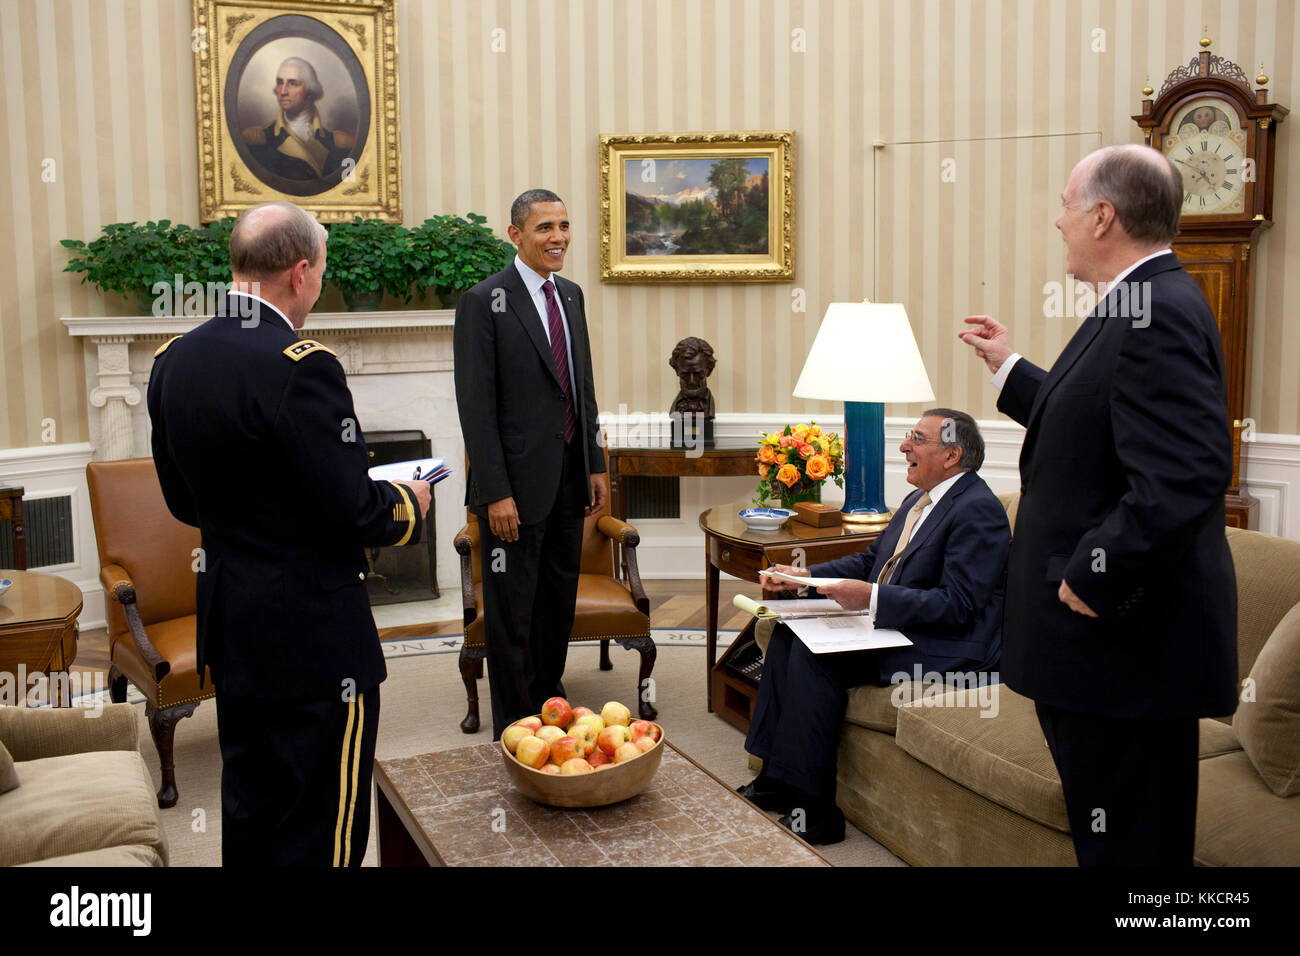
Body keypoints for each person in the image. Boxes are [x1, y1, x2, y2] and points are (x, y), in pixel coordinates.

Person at [958, 144, 1237, 866]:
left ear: (1104, 216)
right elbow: (1097, 425)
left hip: (1126, 655)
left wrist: (1093, 575)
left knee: (1135, 852)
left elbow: (1184, 476)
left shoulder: (1158, 312)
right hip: (1106, 660)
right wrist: (1012, 369)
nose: (1058, 221)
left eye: (1065, 204)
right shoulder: (1140, 301)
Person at [147, 201, 431, 866]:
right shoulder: (302, 365)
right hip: (313, 638)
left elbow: (182, 500)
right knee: (322, 821)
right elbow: (358, 513)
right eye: (321, 273)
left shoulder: (175, 359)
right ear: (301, 272)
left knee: (252, 805)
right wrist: (408, 500)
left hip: (233, 626)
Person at [740, 409, 1010, 845]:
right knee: (790, 632)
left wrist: (873, 599)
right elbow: (871, 563)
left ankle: (817, 812)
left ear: (952, 454)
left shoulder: (979, 510)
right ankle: (777, 777)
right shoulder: (916, 501)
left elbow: (958, 607)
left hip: (952, 644)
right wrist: (801, 580)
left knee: (817, 657)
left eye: (916, 438)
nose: (904, 446)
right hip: (901, 625)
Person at [453, 189, 608, 739]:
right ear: (515, 235)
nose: (558, 237)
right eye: (545, 227)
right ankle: (516, 727)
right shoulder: (483, 301)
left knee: (554, 605)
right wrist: (494, 492)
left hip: (569, 479)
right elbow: (476, 408)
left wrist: (595, 463)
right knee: (512, 612)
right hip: (512, 490)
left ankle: (550, 704)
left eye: (564, 225)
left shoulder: (571, 296)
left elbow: (581, 387)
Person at [242, 57, 355, 181]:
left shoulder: (341, 143)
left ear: (310, 92)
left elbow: (349, 188)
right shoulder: (255, 139)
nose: (283, 91)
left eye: (292, 83)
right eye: (280, 82)